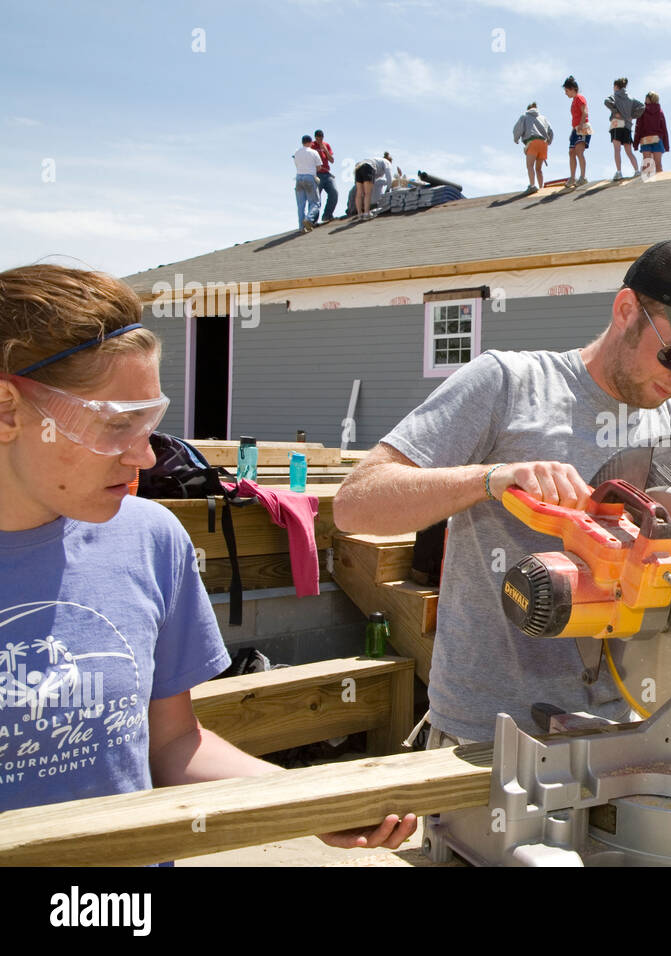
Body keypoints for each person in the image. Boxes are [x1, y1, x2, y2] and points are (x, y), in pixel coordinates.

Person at [0, 264, 419, 848]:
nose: (146, 457)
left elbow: (172, 744)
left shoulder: (150, 540)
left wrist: (303, 803)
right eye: (116, 424)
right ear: (7, 410)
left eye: (149, 423)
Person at [333, 239, 671, 746]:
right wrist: (489, 480)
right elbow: (355, 505)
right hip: (489, 737)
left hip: (633, 732)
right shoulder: (507, 385)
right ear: (625, 311)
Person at [604, 78, 643, 181]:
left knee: (617, 150)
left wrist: (615, 111)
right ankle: (637, 171)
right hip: (627, 126)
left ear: (616, 86)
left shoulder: (615, 96)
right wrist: (632, 115)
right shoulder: (630, 98)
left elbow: (606, 101)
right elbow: (642, 107)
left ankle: (619, 172)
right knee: (628, 151)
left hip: (617, 124)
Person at [512, 102, 554, 193]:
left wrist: (516, 139)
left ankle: (532, 185)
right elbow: (551, 131)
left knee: (530, 166)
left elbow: (517, 129)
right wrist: (549, 141)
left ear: (528, 109)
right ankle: (541, 188)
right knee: (539, 169)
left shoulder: (524, 117)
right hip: (543, 144)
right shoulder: (543, 118)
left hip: (532, 142)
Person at [562, 75, 591, 187]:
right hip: (575, 129)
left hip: (583, 127)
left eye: (567, 90)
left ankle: (583, 177)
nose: (566, 93)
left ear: (572, 89)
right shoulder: (574, 101)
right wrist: (573, 131)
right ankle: (572, 177)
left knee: (579, 151)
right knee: (571, 152)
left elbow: (585, 112)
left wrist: (580, 125)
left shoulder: (579, 98)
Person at [292, 134, 322, 233]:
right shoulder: (313, 152)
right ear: (310, 142)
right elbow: (319, 167)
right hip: (310, 177)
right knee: (315, 202)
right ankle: (308, 219)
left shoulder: (296, 152)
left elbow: (296, 165)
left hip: (299, 177)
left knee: (301, 204)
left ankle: (301, 227)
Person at [635, 91, 669, 175]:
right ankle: (659, 185)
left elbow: (638, 127)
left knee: (646, 164)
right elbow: (664, 129)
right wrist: (666, 145)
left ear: (648, 99)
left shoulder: (642, 111)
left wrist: (635, 143)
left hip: (645, 139)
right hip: (657, 139)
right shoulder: (660, 112)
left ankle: (646, 184)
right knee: (658, 165)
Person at [313, 129, 338, 223]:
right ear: (315, 137)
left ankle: (327, 215)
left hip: (327, 174)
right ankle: (313, 220)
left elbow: (332, 160)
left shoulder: (326, 145)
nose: (319, 139)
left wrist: (325, 150)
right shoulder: (312, 146)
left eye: (321, 137)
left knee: (334, 193)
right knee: (316, 198)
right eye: (318, 138)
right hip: (317, 174)